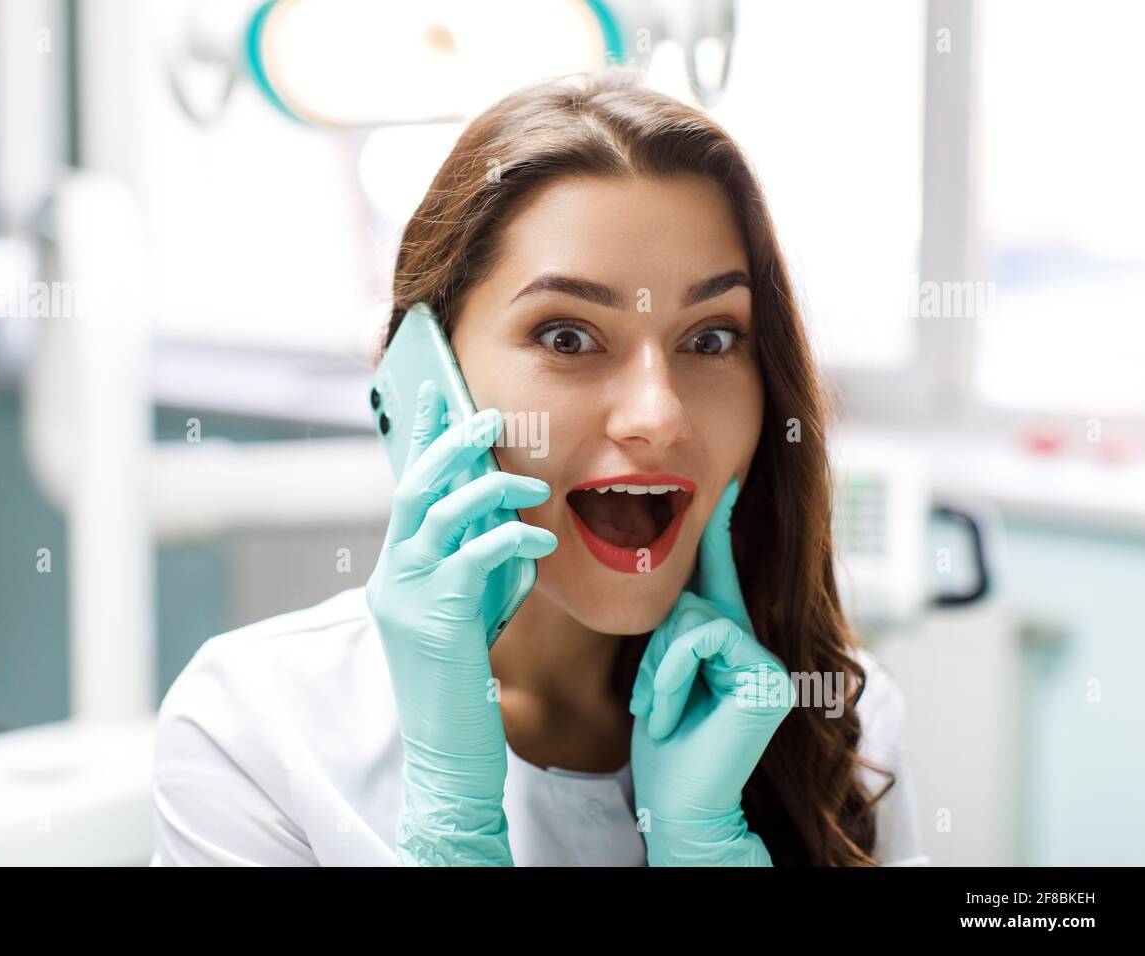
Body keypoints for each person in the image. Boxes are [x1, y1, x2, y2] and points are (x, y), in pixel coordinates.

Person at [149, 69, 929, 867]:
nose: (658, 416)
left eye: (710, 339)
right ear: (424, 375)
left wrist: (704, 847)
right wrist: (452, 822)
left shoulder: (838, 721)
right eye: (566, 337)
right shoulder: (252, 726)